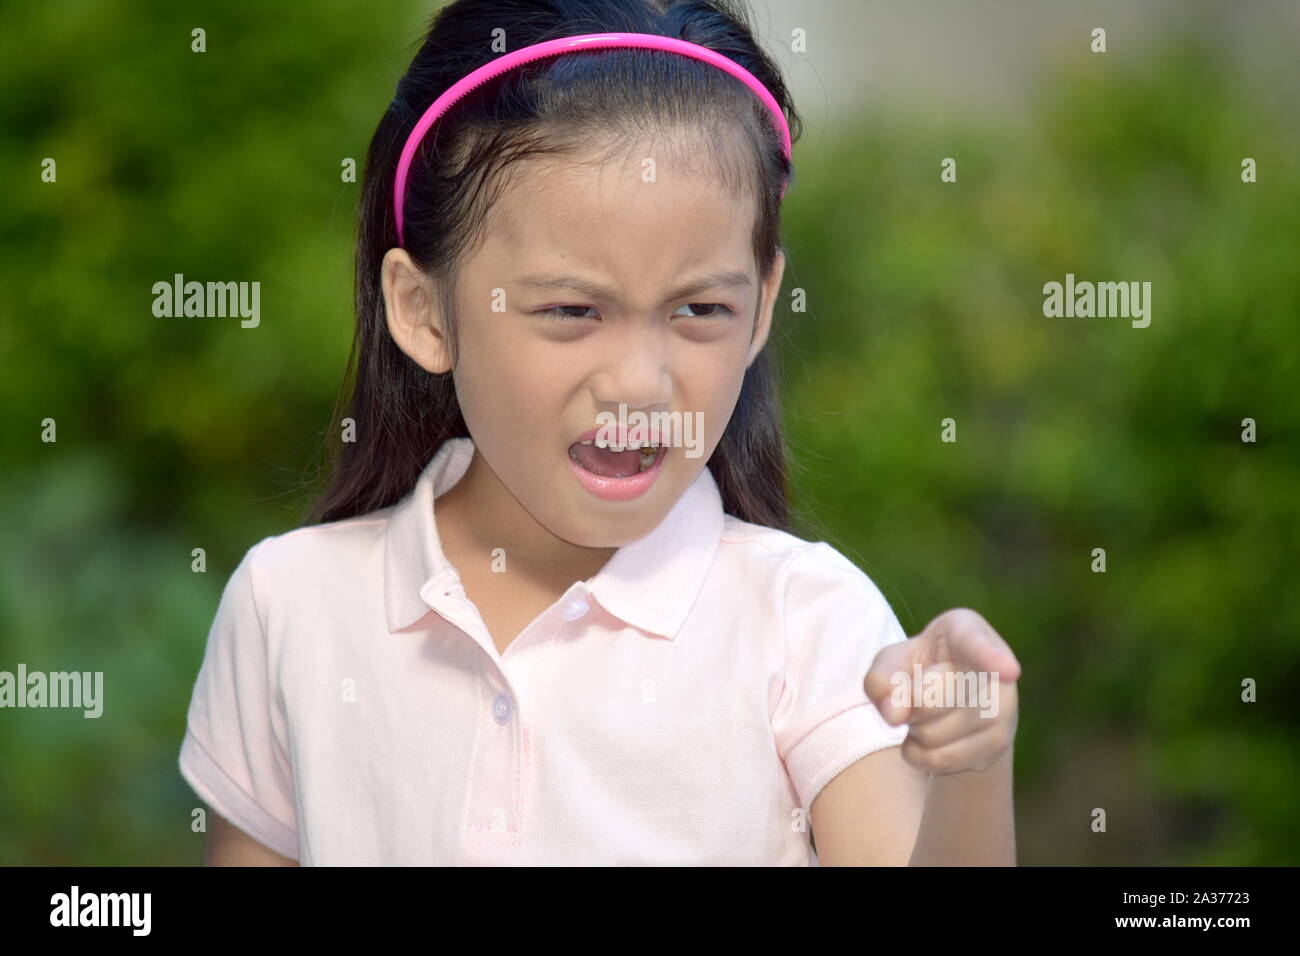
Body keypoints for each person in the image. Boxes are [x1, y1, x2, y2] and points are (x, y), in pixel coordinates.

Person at [178, 0, 1020, 866]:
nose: (639, 384)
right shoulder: (291, 607)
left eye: (700, 309)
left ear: (764, 305)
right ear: (423, 310)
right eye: (572, 310)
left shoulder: (810, 626)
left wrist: (972, 766)